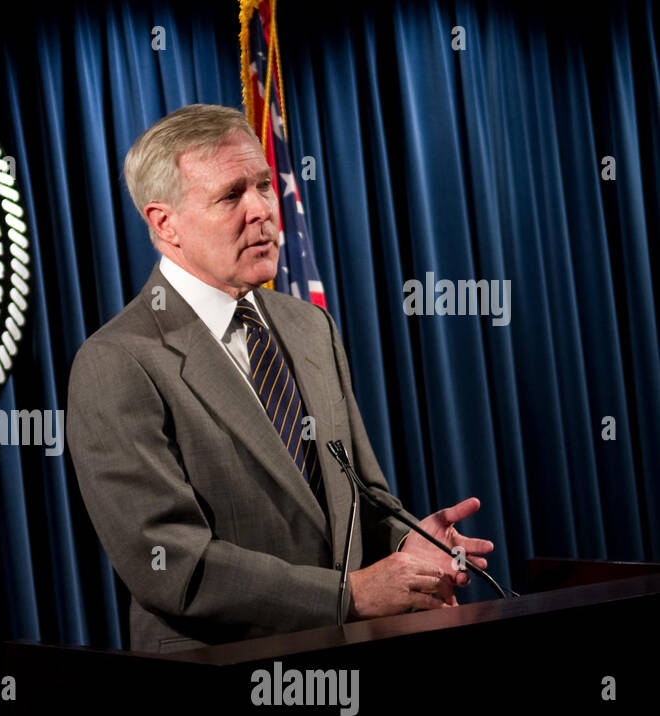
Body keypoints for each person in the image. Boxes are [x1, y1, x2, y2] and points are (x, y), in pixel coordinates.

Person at [66, 104, 494, 653]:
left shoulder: (310, 325)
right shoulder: (119, 360)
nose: (262, 211)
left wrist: (409, 542)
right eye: (230, 195)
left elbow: (363, 495)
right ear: (164, 223)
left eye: (264, 185)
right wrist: (349, 595)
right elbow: (172, 564)